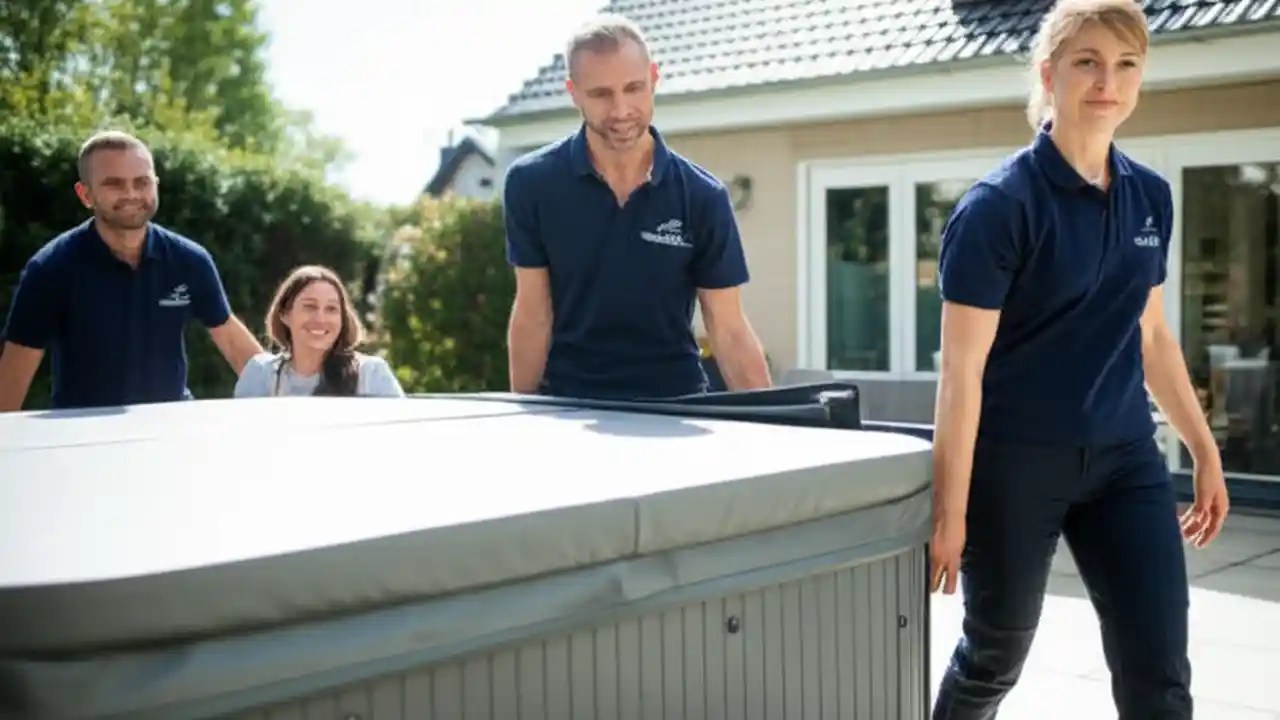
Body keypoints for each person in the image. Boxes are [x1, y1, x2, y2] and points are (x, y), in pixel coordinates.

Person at [928, 1, 1231, 718]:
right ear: (1050, 74)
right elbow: (960, 374)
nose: (1107, 81)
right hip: (1017, 462)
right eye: (1087, 61)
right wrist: (950, 509)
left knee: (1160, 668)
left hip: (1125, 461)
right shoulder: (998, 208)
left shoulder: (1150, 197)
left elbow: (1152, 336)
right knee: (993, 657)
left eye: (1126, 64)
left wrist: (1205, 450)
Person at [502, 14, 771, 401]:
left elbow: (727, 327)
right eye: (601, 94)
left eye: (634, 88)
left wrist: (773, 421)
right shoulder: (531, 183)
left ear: (654, 78)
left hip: (675, 407)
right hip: (569, 404)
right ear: (573, 92)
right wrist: (523, 413)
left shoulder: (702, 196)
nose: (622, 109)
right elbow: (532, 312)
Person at [0, 130, 263, 412]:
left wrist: (289, 407)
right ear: (85, 194)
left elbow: (238, 348)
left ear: (156, 185)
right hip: (82, 437)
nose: (131, 194)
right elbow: (11, 381)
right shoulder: (50, 269)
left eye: (142, 182)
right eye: (114, 184)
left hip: (170, 427)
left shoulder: (189, 261)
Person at [234, 265, 403, 398]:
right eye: (310, 306)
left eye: (331, 309)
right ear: (284, 314)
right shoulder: (260, 373)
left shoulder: (371, 374)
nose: (320, 319)